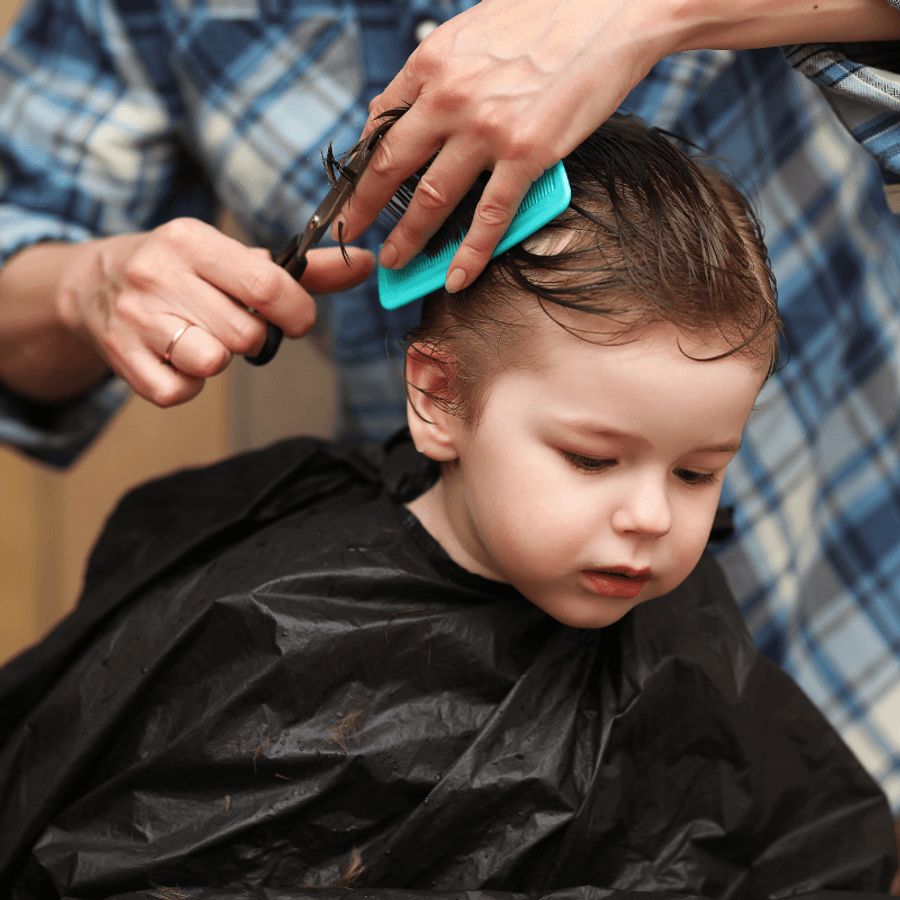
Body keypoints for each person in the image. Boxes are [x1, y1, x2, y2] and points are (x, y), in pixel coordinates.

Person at [2, 0, 900, 822]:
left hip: (854, 601)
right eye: (591, 457)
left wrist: (638, 14)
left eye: (700, 470)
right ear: (434, 393)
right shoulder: (278, 656)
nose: (651, 518)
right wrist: (85, 284)